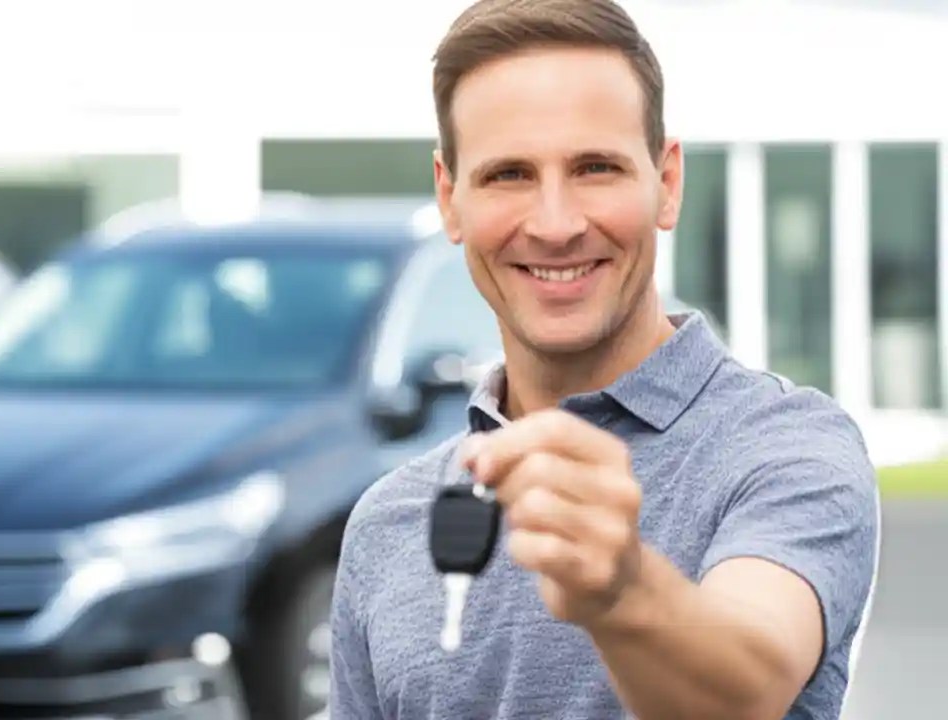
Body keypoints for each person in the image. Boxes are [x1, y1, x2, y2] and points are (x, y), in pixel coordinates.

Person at [327, 0, 880, 718]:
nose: (555, 224)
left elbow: (748, 688)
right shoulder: (388, 524)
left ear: (667, 183)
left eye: (595, 167)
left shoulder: (785, 451)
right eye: (509, 175)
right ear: (450, 199)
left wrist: (623, 592)